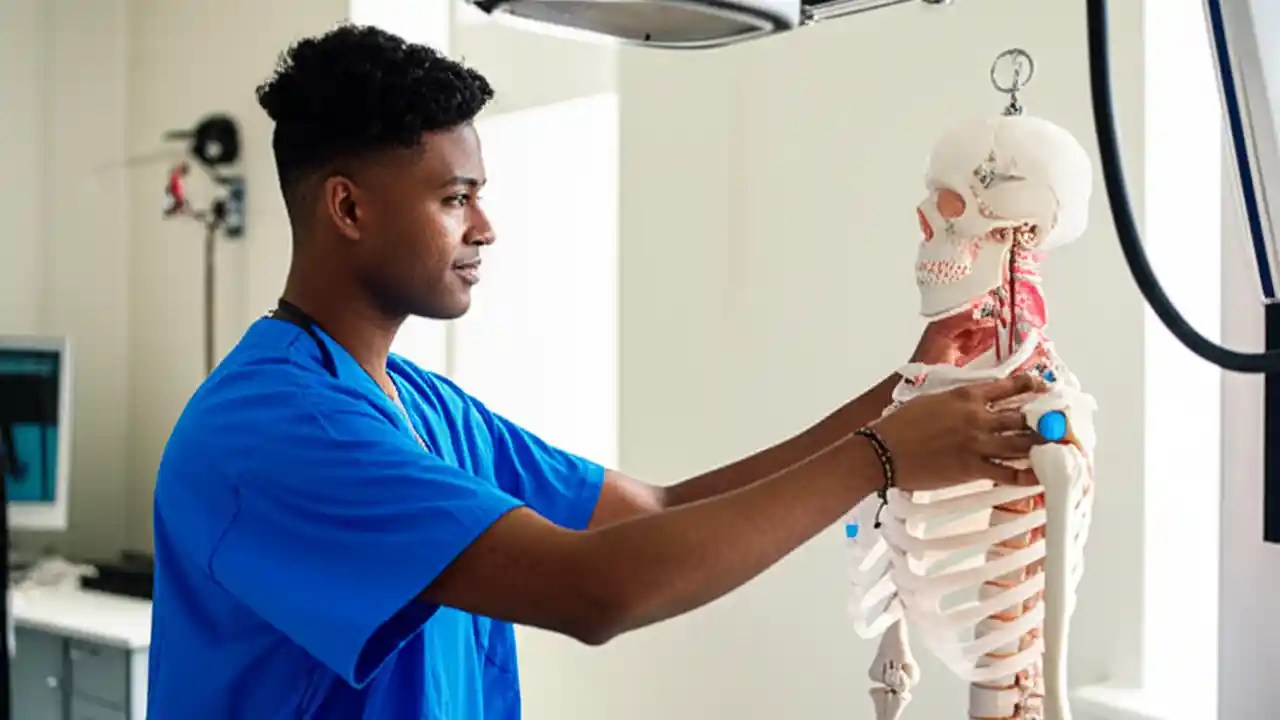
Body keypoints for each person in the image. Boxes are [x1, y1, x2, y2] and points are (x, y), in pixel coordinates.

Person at [146, 24, 1048, 720]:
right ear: (347, 206)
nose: (485, 228)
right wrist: (883, 458)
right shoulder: (276, 428)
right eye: (455, 198)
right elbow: (595, 591)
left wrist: (912, 386)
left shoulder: (412, 404)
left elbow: (654, 511)